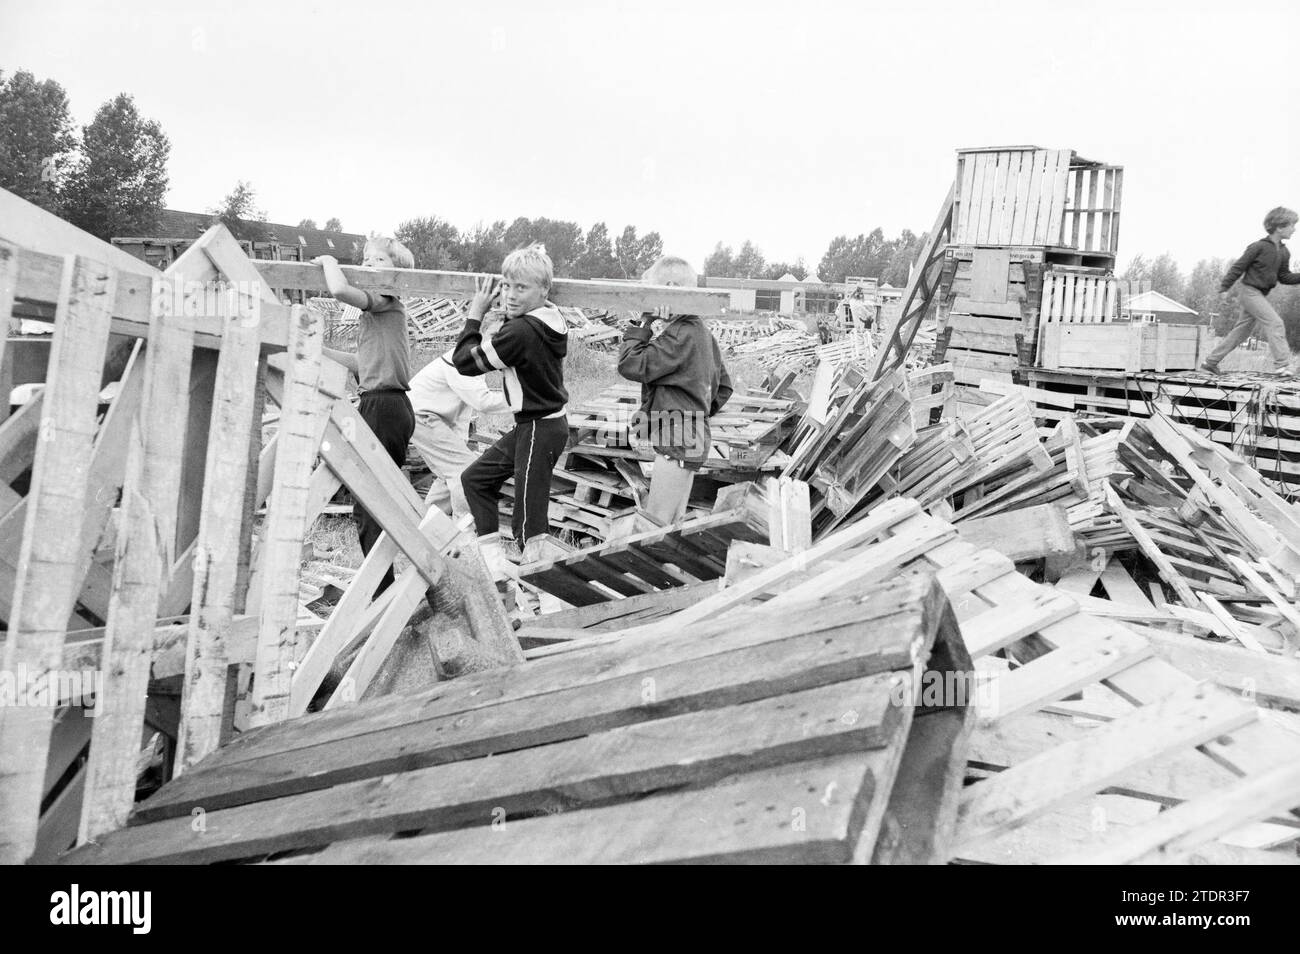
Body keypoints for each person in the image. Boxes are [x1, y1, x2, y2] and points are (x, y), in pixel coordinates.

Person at [454, 244, 569, 577]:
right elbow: (513, 329)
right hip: (540, 425)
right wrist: (505, 317)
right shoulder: (552, 318)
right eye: (506, 286)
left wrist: (475, 314)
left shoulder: (520, 333)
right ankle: (494, 567)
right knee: (474, 479)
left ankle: (548, 602)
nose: (510, 295)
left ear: (544, 289)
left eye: (522, 287)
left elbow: (466, 362)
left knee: (528, 528)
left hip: (539, 428)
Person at [316, 237, 415, 595]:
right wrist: (316, 346)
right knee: (372, 503)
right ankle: (384, 589)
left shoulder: (385, 301)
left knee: (369, 504)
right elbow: (362, 366)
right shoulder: (379, 317)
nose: (369, 264)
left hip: (384, 407)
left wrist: (330, 259)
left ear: (395, 273)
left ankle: (383, 592)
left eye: (379, 259)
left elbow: (340, 288)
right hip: (386, 404)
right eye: (366, 259)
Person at [617, 255, 733, 525]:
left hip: (678, 435)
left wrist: (643, 324)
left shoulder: (680, 334)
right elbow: (724, 387)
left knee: (655, 521)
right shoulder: (701, 332)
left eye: (650, 293)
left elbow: (631, 364)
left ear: (669, 288)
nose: (646, 302)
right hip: (692, 433)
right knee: (674, 522)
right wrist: (695, 413)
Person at [408, 347, 509, 519]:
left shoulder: (474, 362)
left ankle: (423, 526)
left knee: (447, 474)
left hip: (427, 416)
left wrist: (459, 441)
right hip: (422, 416)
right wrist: (522, 399)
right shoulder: (463, 359)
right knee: (465, 470)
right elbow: (482, 402)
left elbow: (463, 405)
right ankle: (463, 531)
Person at [1201, 207, 1300, 375]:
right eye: (1292, 225)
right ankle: (1283, 365)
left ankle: (1210, 363)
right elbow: (1238, 267)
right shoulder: (1258, 247)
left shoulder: (1284, 252)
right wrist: (1225, 287)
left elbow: (1284, 277)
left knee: (1241, 332)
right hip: (1249, 291)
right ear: (1279, 227)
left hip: (1260, 294)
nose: (1294, 229)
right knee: (1275, 322)